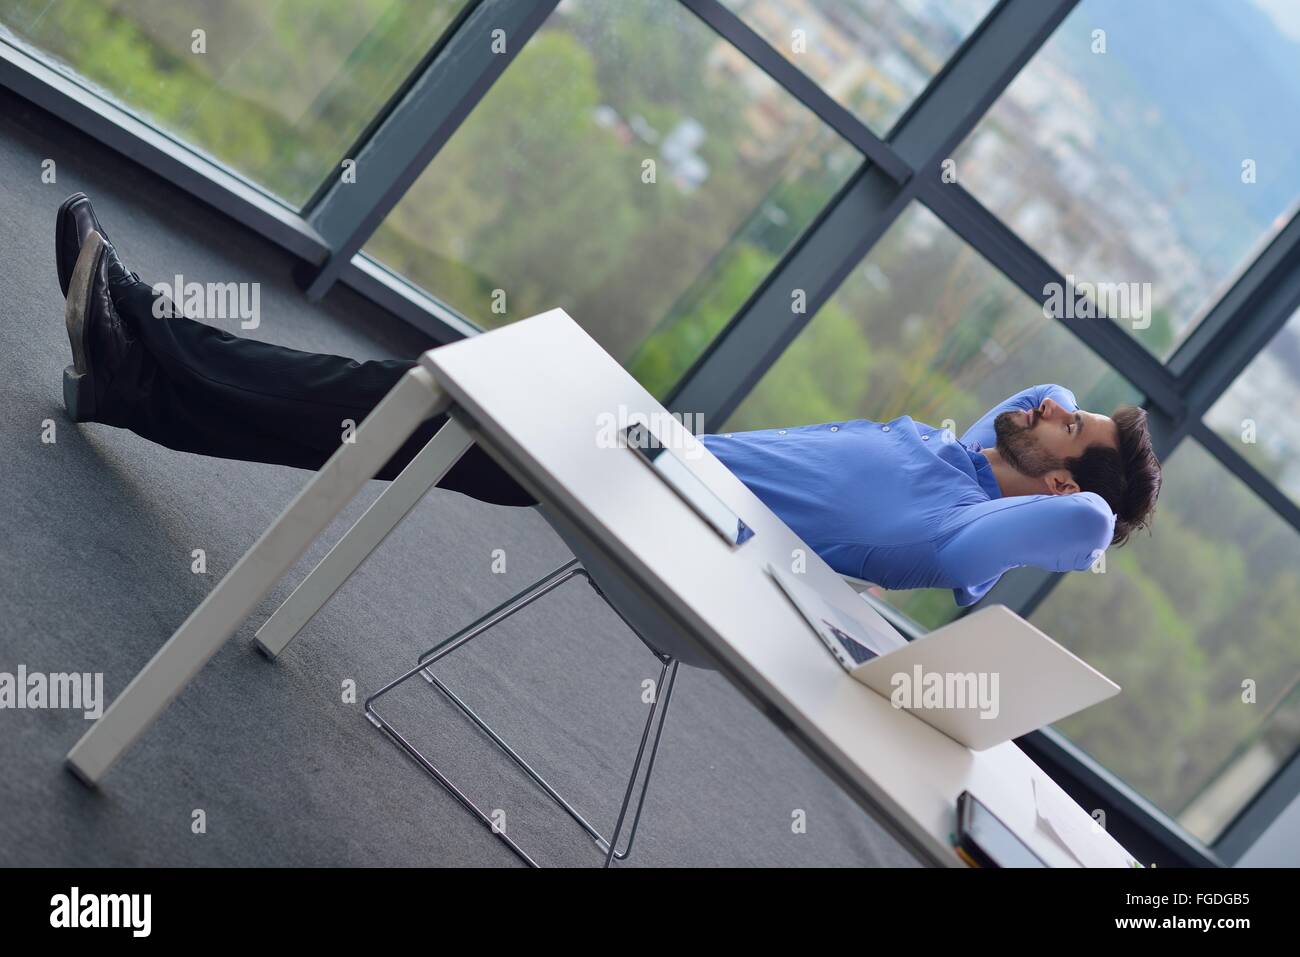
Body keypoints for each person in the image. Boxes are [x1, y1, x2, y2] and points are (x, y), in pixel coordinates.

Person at [55, 194, 1160, 608]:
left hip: (671, 532)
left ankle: (142, 331)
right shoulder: (962, 463)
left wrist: (1105, 496)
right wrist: (1073, 418)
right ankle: (136, 381)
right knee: (394, 415)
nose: (1049, 402)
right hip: (653, 468)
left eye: (1071, 424)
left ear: (1063, 483)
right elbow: (1024, 412)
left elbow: (1072, 520)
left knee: (411, 400)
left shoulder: (975, 535)